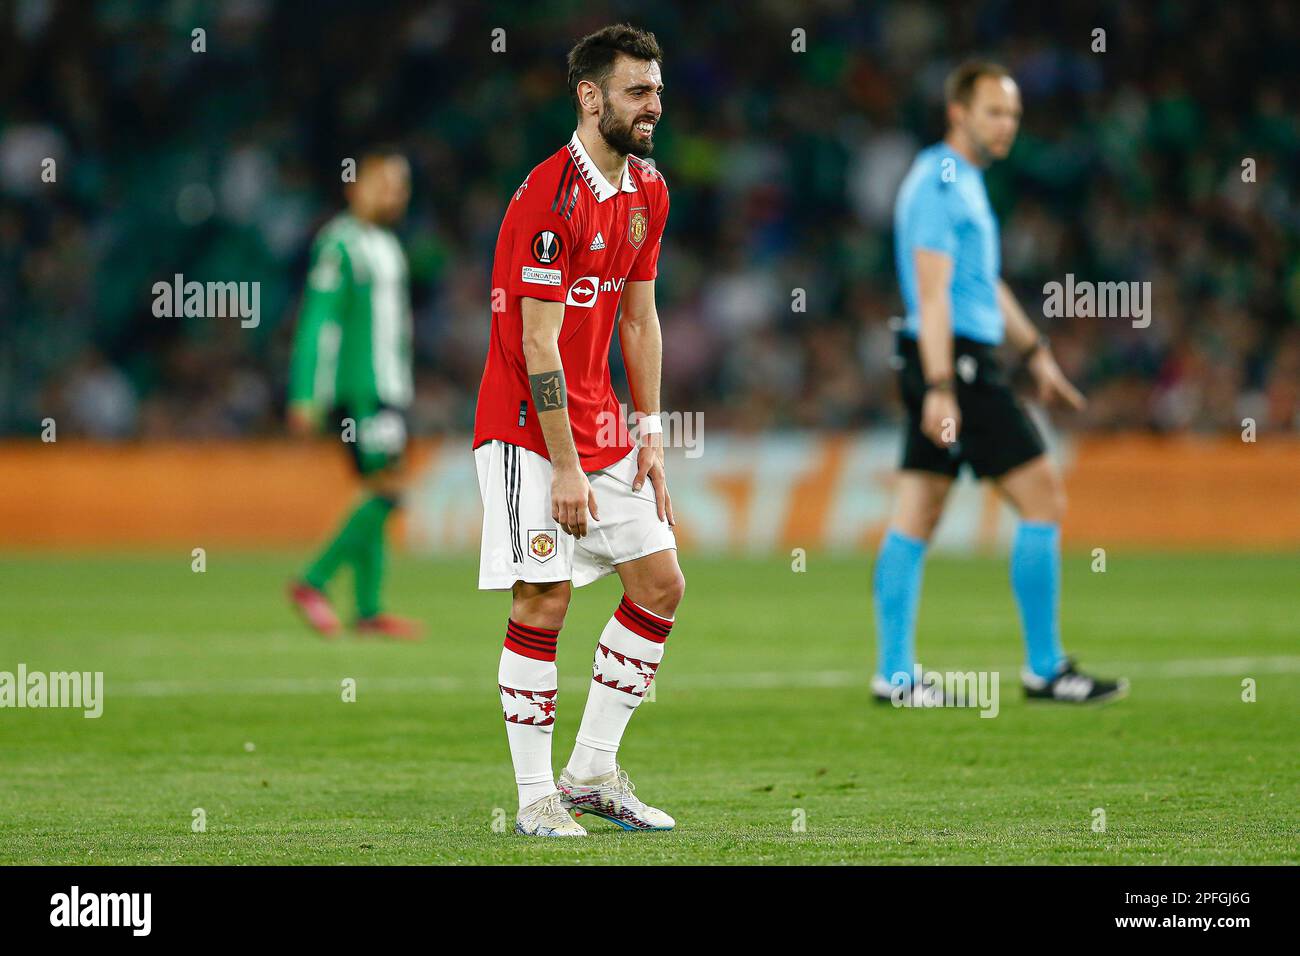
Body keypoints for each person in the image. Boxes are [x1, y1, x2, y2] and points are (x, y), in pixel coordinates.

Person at [474, 24, 683, 836]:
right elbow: (535, 343)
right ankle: (534, 802)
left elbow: (640, 318)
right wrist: (563, 466)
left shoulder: (648, 190)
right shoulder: (546, 201)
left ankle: (593, 770)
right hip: (531, 434)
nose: (653, 106)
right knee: (543, 597)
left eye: (657, 91)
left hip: (603, 430)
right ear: (591, 98)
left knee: (661, 583)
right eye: (638, 91)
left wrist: (653, 429)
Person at [876, 61, 1127, 705]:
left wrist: (1035, 351)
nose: (1007, 124)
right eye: (994, 111)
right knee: (1044, 497)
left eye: (1013, 113)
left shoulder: (963, 182)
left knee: (918, 509)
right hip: (953, 362)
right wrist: (939, 384)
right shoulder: (939, 182)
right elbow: (933, 293)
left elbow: (979, 284)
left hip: (948, 357)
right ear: (958, 113)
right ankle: (1044, 668)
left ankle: (895, 673)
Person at [286, 149, 422, 641]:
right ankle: (312, 581)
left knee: (378, 491)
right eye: (386, 183)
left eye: (401, 185)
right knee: (391, 489)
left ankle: (368, 610)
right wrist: (306, 392)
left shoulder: (386, 245)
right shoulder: (339, 243)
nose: (395, 194)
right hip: (361, 389)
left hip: (390, 387)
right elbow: (318, 321)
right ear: (356, 185)